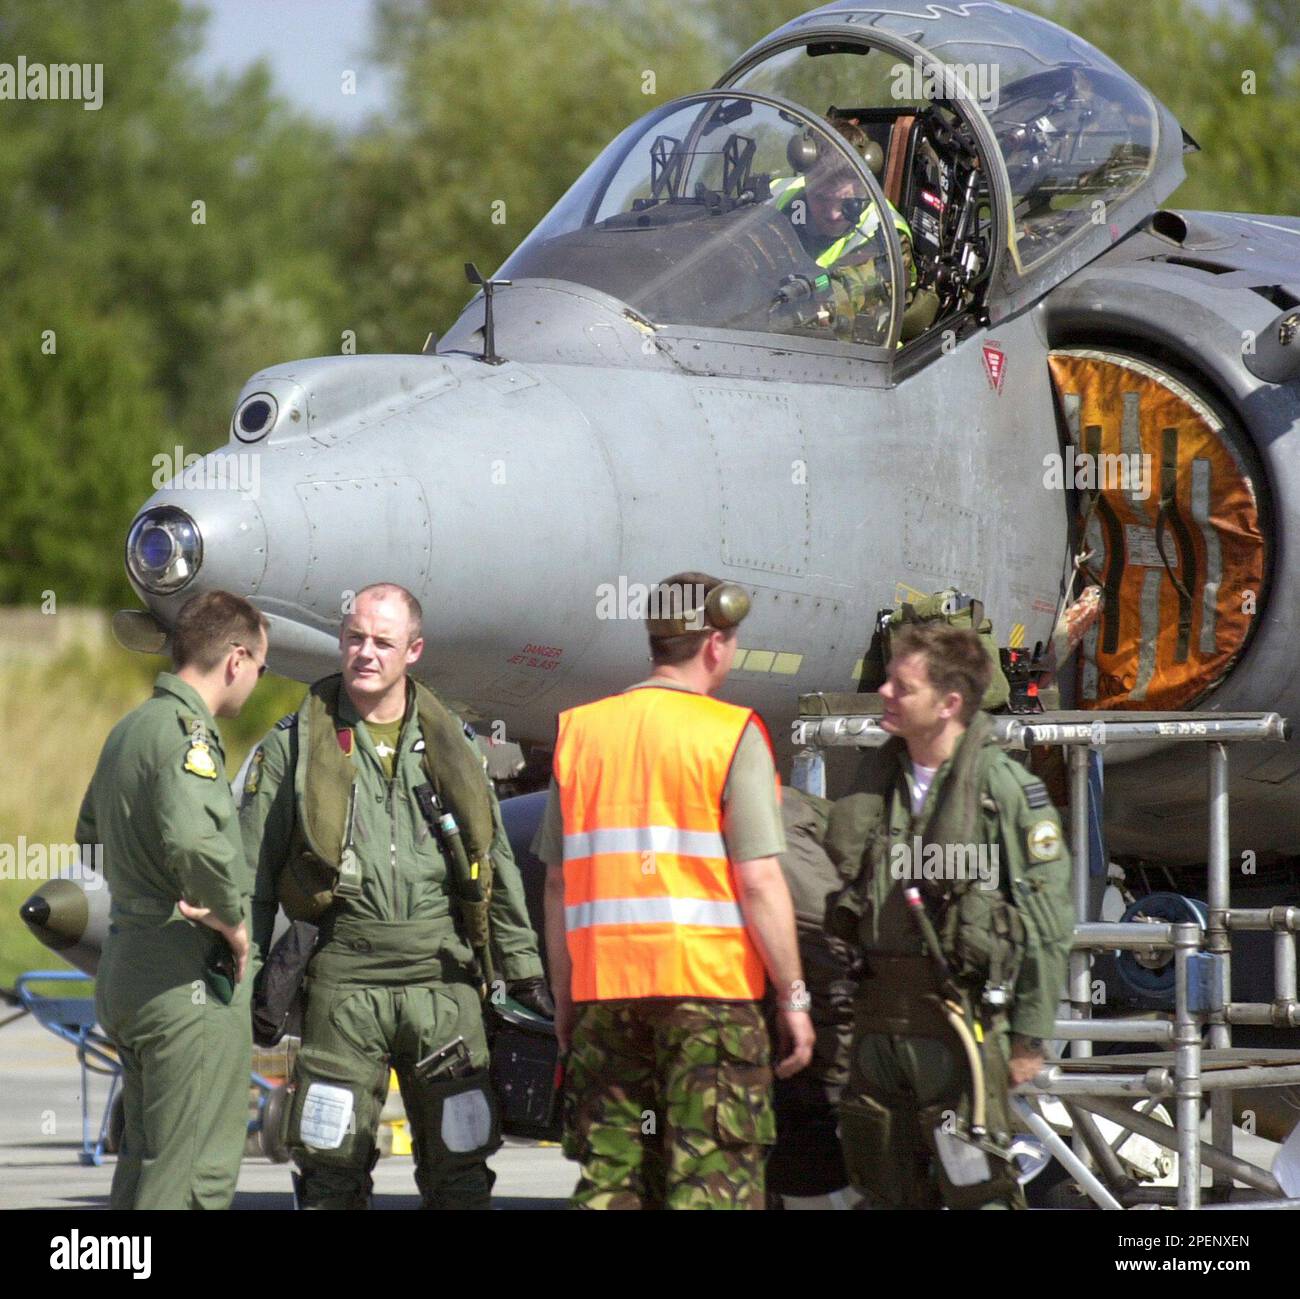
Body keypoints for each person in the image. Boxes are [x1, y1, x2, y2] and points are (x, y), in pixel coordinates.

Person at [239, 582, 546, 1209]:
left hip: (442, 984)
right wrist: (241, 984)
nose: (365, 653)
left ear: (413, 650)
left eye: (383, 641)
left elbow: (496, 863)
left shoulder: (455, 748)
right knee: (329, 1168)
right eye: (355, 638)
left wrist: (522, 969)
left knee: (460, 1167)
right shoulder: (294, 746)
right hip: (344, 985)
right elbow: (253, 875)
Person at [534, 571, 814, 1209]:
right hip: (709, 1003)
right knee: (709, 1186)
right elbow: (760, 880)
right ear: (715, 645)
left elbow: (558, 883)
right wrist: (794, 994)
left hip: (607, 997)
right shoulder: (729, 733)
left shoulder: (581, 732)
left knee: (613, 1183)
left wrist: (566, 994)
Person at [830, 623, 1074, 1209]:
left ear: (950, 704)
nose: (885, 692)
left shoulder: (1002, 791)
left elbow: (1045, 925)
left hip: (958, 1031)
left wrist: (1030, 1039)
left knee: (975, 1191)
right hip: (876, 1025)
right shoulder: (877, 783)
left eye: (902, 685)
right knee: (883, 1194)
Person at [76, 589, 268, 1209]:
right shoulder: (190, 738)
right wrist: (231, 922)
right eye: (261, 668)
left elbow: (89, 837)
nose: (257, 682)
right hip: (184, 980)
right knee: (191, 1180)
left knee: (144, 1167)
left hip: (127, 970)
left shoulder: (130, 729)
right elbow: (193, 838)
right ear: (236, 659)